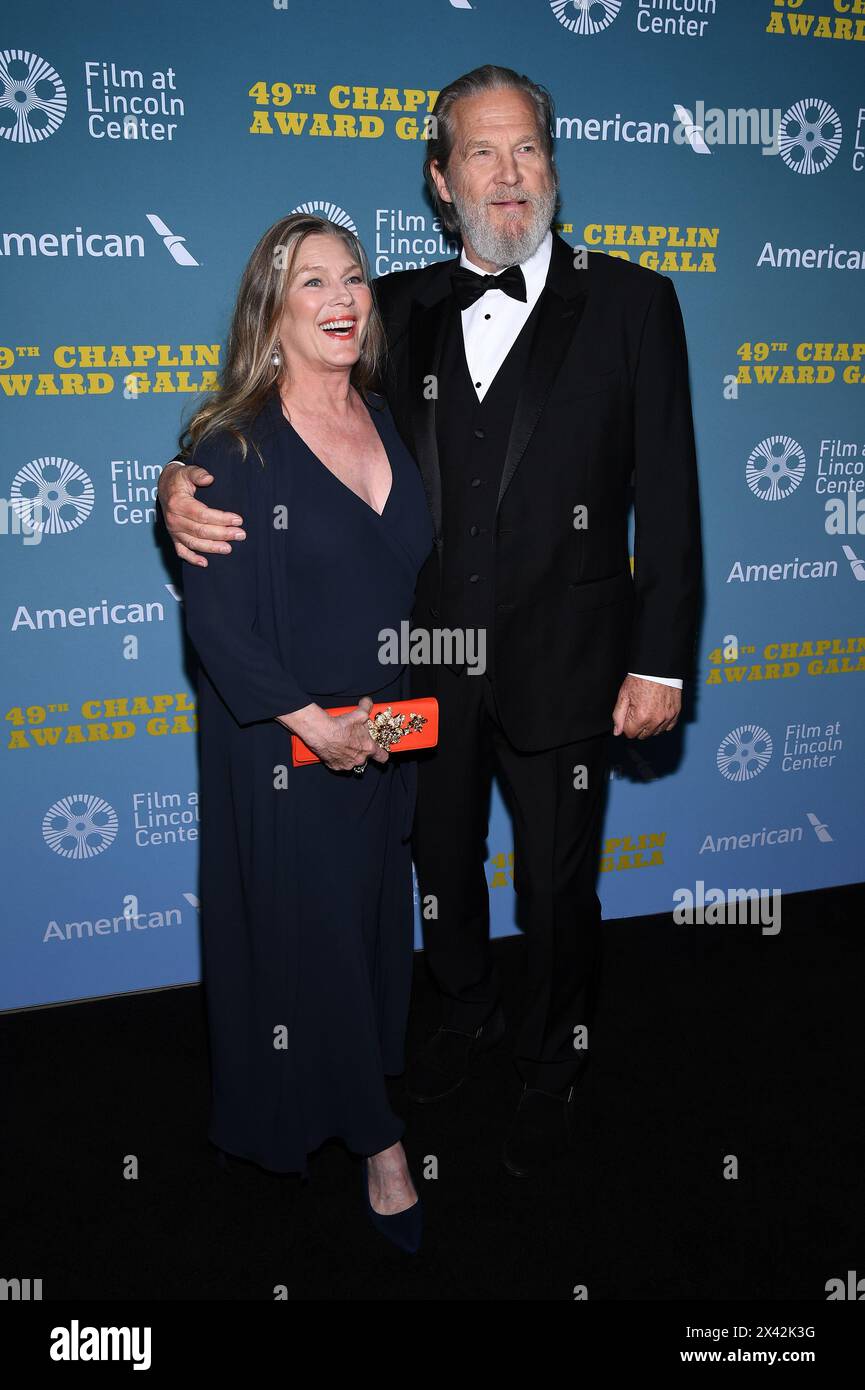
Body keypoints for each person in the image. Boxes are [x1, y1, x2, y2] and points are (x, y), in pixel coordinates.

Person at [158, 66, 702, 1180]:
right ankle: (462, 1012)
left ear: (552, 165)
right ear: (439, 179)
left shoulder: (634, 301)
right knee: (440, 867)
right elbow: (287, 414)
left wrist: (661, 660)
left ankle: (554, 1062)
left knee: (557, 886)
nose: (510, 178)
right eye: (482, 156)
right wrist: (177, 480)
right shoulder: (392, 307)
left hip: (572, 662)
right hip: (420, 668)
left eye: (528, 152)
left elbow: (674, 498)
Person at [172, 213, 433, 1251]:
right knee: (315, 935)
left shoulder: (383, 414)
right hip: (286, 739)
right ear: (271, 311)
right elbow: (216, 626)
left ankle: (346, 1087)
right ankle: (381, 1147)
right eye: (311, 281)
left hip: (385, 732)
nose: (341, 298)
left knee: (368, 931)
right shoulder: (229, 445)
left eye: (353, 277)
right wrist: (315, 728)